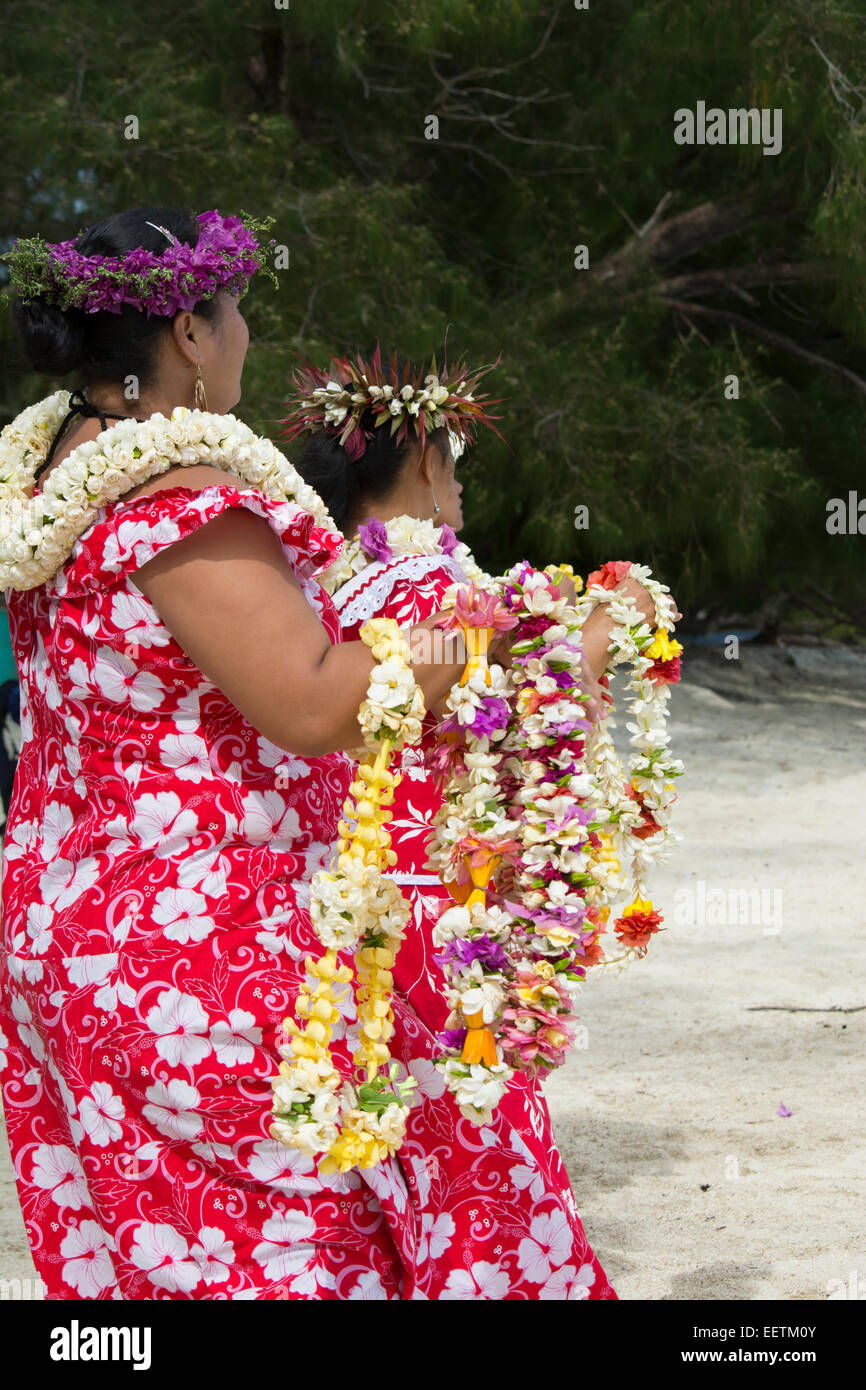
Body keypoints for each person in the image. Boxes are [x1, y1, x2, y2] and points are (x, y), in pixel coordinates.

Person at [289, 350, 675, 1299]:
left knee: (402, 1172)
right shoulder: (439, 591)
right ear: (421, 464)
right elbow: (545, 703)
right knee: (482, 1176)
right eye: (454, 465)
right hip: (437, 918)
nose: (459, 490)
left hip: (350, 911)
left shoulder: (327, 588)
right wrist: (610, 617)